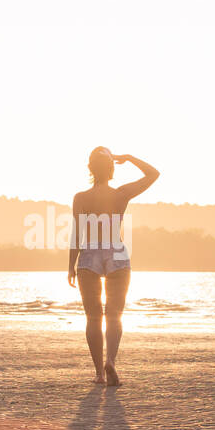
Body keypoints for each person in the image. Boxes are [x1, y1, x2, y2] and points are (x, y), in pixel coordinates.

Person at [67, 148, 159, 386]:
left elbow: (77, 234)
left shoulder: (81, 198)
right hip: (116, 253)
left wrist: (70, 265)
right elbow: (153, 174)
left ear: (90, 168)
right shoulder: (122, 194)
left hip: (90, 255)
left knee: (93, 317)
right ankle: (111, 361)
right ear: (111, 169)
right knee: (115, 315)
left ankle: (99, 373)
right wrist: (129, 158)